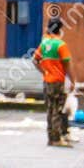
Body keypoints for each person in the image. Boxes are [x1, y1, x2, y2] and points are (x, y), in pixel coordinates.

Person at [32, 17, 75, 148]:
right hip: (57, 81)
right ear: (60, 29)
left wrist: (44, 72)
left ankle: (51, 138)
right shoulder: (61, 45)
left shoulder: (44, 44)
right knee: (57, 109)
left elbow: (35, 60)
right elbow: (67, 65)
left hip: (47, 81)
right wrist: (73, 81)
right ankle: (56, 139)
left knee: (50, 109)